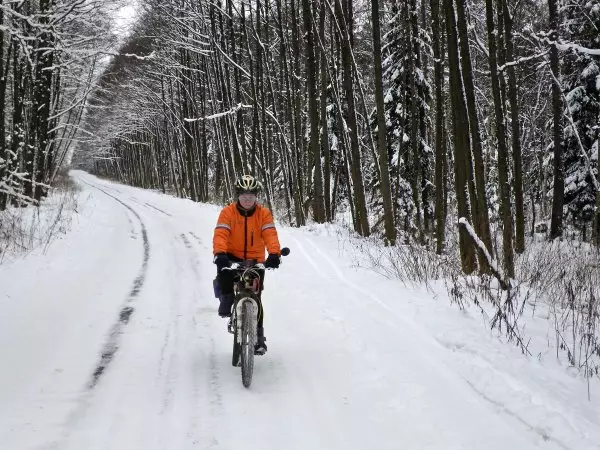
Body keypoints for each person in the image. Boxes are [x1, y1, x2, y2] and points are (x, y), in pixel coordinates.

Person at [212, 174, 281, 355]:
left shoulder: (263, 213)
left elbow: (270, 234)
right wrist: (220, 253)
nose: (247, 198)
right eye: (244, 195)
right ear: (237, 195)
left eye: (251, 195)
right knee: (224, 274)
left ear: (256, 196)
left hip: (255, 261)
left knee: (256, 297)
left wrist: (274, 254)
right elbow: (221, 234)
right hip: (231, 257)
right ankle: (227, 298)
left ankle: (258, 338)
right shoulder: (227, 212)